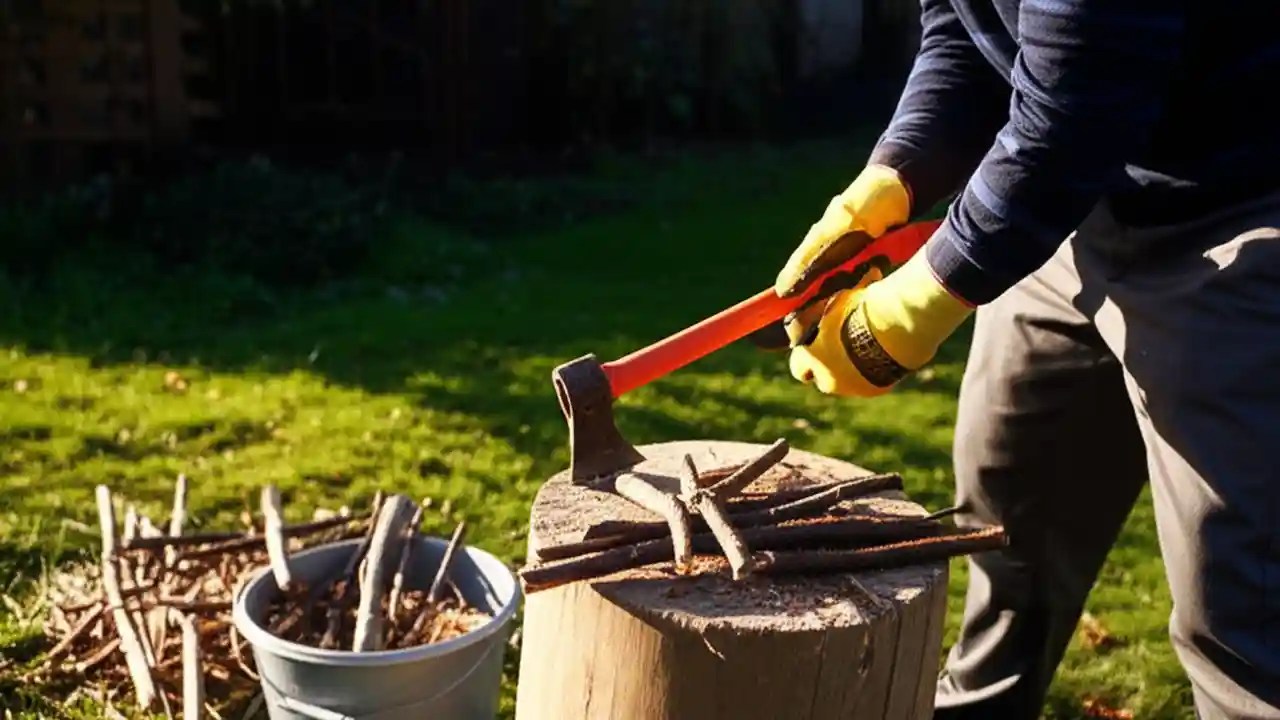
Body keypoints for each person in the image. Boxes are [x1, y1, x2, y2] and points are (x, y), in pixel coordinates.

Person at [771, 1, 1280, 718]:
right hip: (1076, 211)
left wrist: (916, 304)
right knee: (1008, 526)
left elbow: (1076, 111)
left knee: (1242, 615)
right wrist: (894, 176)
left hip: (1244, 215)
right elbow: (965, 27)